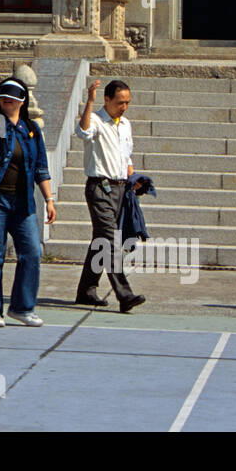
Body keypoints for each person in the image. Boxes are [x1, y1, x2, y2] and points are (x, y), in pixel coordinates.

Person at [0, 62, 55, 327]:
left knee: (31, 252)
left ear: (21, 101)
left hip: (23, 202)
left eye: (11, 98)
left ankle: (22, 306)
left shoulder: (31, 130)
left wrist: (49, 199)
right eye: (3, 98)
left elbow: (41, 167)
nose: (6, 101)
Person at [74, 79, 144, 312]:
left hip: (121, 188)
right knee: (110, 241)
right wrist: (90, 102)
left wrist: (133, 181)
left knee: (101, 241)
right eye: (119, 102)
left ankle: (86, 290)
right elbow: (83, 133)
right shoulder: (95, 120)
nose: (124, 106)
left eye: (127, 102)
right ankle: (124, 294)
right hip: (99, 188)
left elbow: (127, 157)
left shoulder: (125, 124)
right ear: (107, 99)